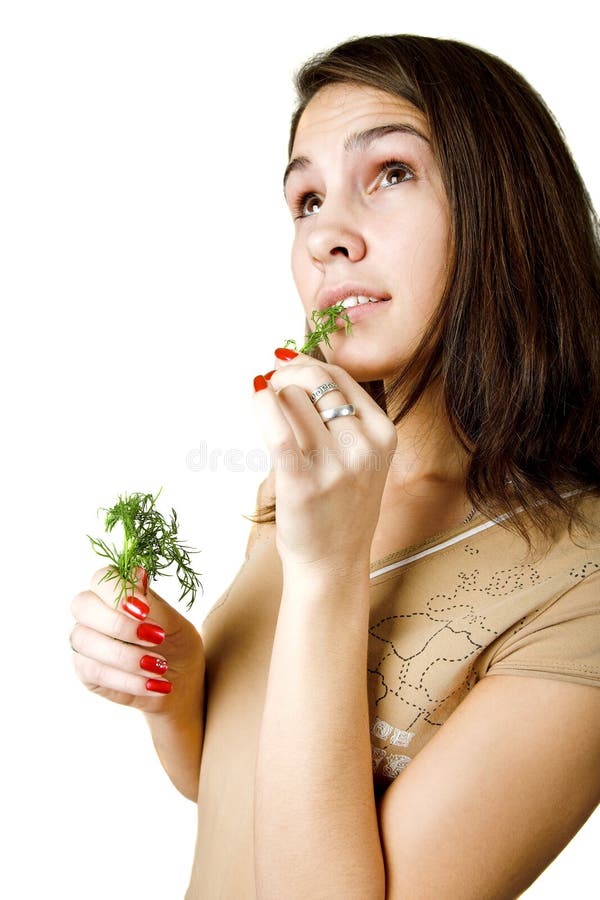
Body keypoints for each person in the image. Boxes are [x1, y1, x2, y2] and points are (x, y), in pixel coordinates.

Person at [70, 34, 600, 899]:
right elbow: (236, 793)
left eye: (391, 173)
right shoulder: (310, 478)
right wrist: (177, 683)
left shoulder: (586, 585)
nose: (327, 235)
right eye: (306, 199)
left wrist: (327, 573)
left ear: (506, 206)